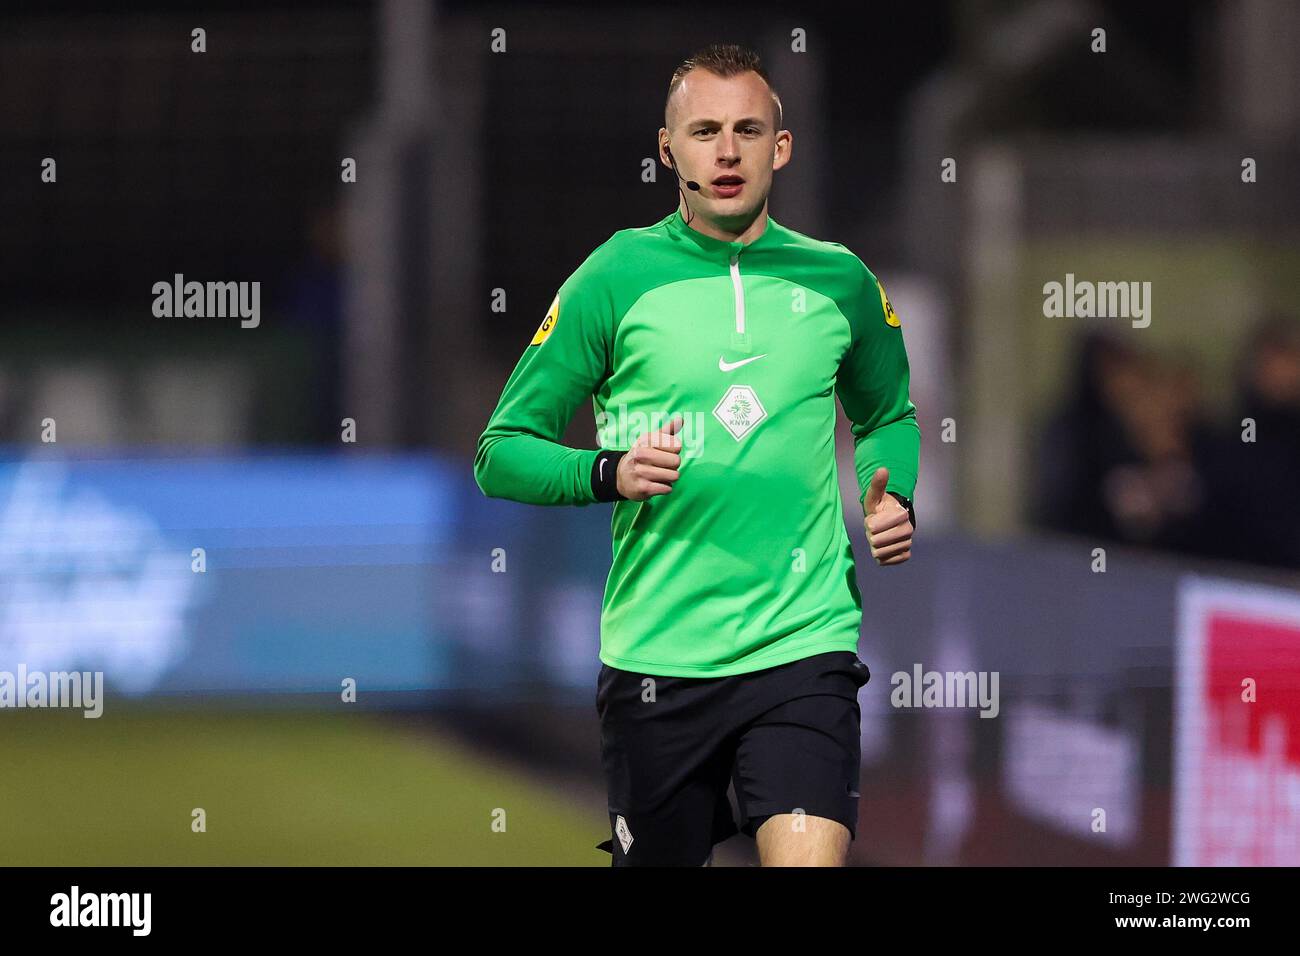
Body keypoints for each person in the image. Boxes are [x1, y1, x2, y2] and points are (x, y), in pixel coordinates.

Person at [474, 43, 920, 866]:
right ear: (667, 148)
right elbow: (500, 453)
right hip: (657, 664)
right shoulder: (614, 277)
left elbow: (889, 413)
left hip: (802, 644)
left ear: (780, 149)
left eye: (748, 129)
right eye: (704, 130)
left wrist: (891, 496)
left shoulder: (840, 282)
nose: (727, 150)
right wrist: (607, 472)